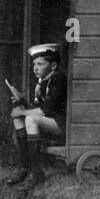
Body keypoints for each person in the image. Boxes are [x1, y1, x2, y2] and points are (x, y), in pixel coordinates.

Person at [5, 43, 68, 188]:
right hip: (51, 122)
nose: (35, 68)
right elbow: (38, 108)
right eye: (34, 64)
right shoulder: (41, 83)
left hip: (62, 124)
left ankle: (37, 174)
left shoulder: (58, 79)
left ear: (53, 66)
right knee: (19, 118)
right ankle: (24, 168)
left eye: (40, 64)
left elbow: (44, 111)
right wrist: (22, 101)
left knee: (29, 118)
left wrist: (22, 111)